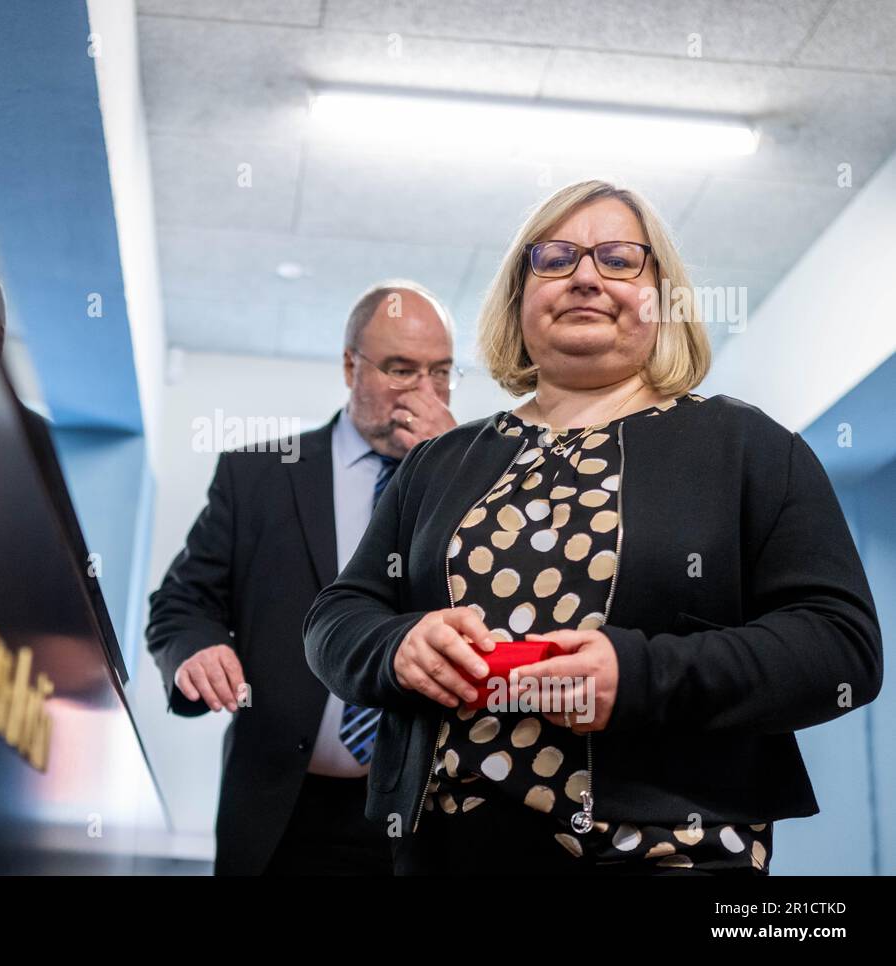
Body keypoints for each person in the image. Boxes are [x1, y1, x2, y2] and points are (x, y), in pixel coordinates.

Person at [303, 180, 883, 876]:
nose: (583, 276)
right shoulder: (442, 462)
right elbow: (335, 618)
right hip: (448, 852)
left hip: (669, 852)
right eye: (553, 258)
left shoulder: (749, 448)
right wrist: (398, 646)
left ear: (662, 294)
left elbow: (839, 645)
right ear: (521, 296)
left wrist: (641, 677)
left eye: (618, 259)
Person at [147, 280, 463, 874]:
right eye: (400, 369)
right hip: (277, 806)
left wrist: (451, 471)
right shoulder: (258, 476)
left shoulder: (469, 487)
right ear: (350, 366)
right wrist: (197, 647)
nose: (424, 392)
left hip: (412, 814)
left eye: (441, 373)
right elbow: (181, 602)